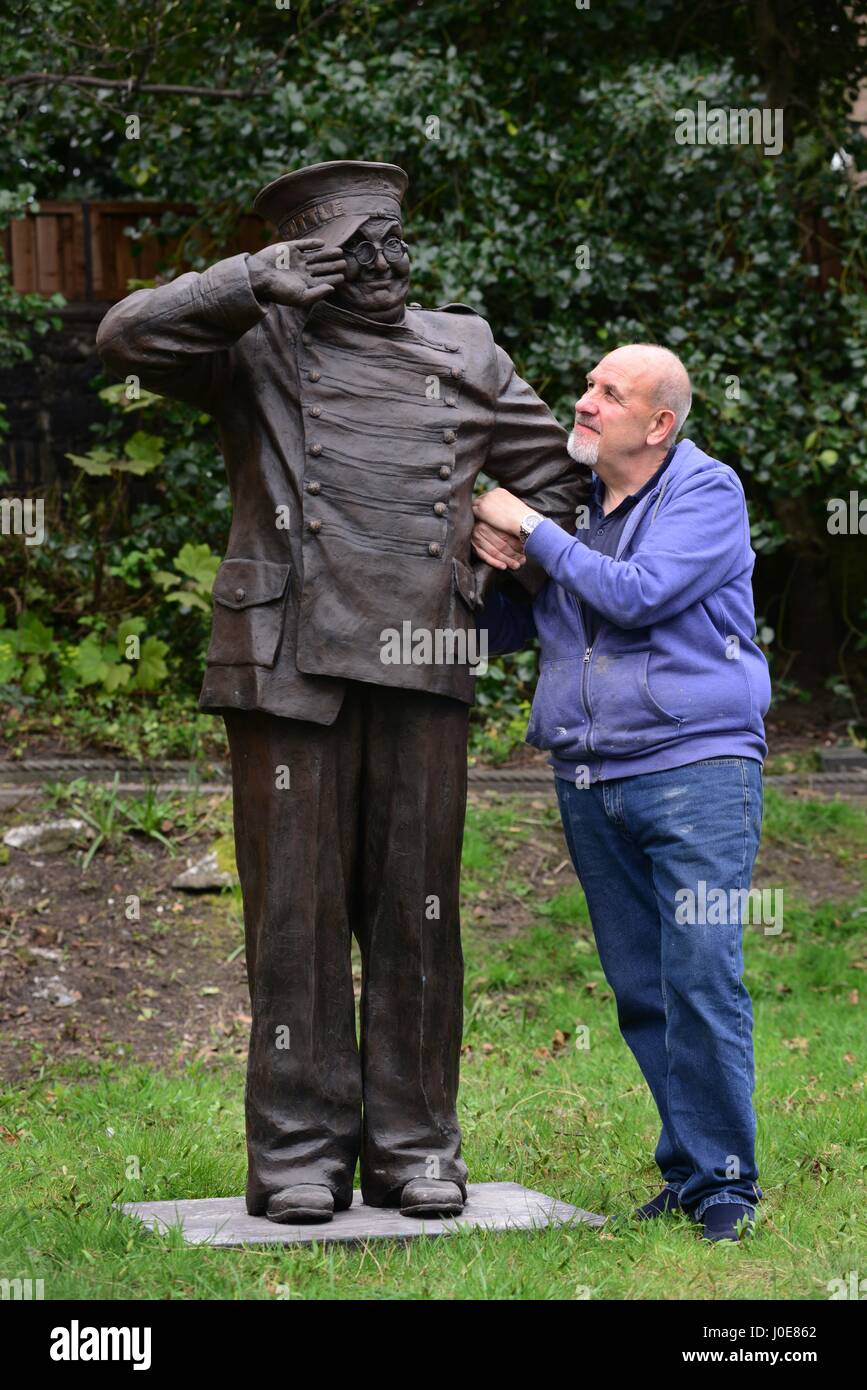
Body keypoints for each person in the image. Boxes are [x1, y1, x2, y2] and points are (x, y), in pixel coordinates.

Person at [95, 160, 590, 1224]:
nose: (384, 263)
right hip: (286, 661)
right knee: (295, 917)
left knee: (419, 913)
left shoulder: (466, 350)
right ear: (308, 257)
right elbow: (123, 338)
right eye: (354, 248)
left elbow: (553, 487)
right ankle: (297, 1153)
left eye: (396, 243)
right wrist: (251, 278)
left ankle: (416, 1145)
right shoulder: (258, 342)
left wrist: (475, 550)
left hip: (422, 659)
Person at [472, 344, 771, 1242]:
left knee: (702, 973)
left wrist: (529, 530)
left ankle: (727, 1187)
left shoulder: (703, 493)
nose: (586, 399)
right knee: (642, 985)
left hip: (696, 772)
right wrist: (498, 561)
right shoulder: (578, 510)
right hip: (589, 777)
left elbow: (638, 596)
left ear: (658, 424)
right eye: (589, 385)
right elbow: (515, 633)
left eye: (610, 392)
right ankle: (686, 1172)